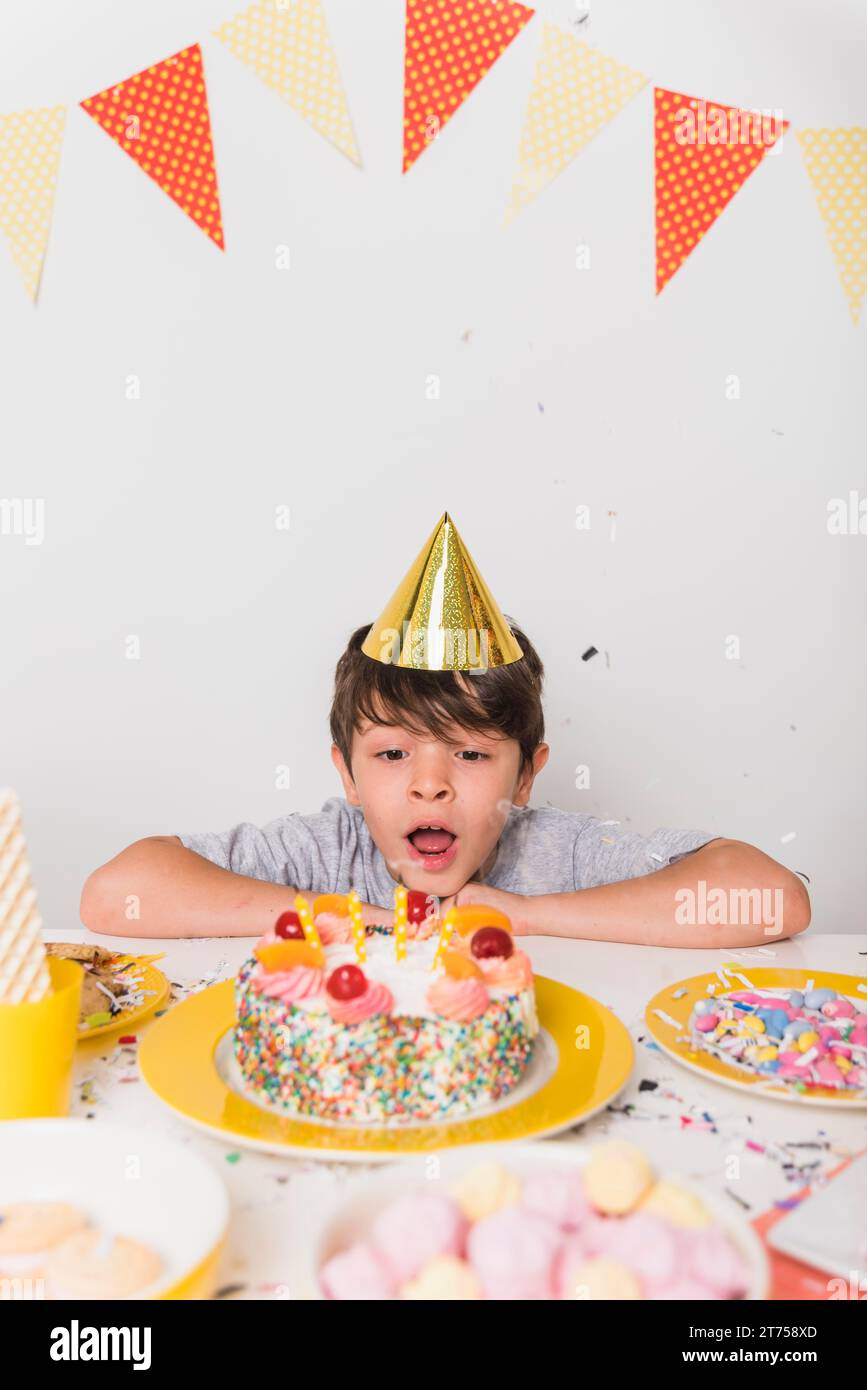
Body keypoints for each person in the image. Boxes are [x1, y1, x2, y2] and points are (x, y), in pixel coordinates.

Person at [80, 617, 810, 946]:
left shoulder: (555, 856)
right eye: (393, 756)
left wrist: (524, 916)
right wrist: (329, 912)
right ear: (349, 775)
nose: (430, 787)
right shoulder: (326, 852)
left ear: (525, 776)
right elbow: (114, 894)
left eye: (468, 755)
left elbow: (774, 899)